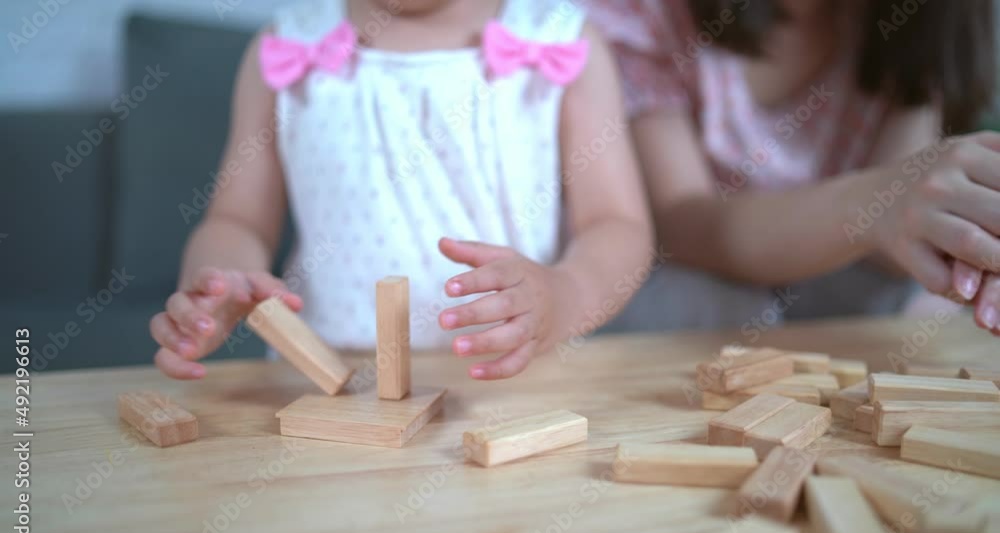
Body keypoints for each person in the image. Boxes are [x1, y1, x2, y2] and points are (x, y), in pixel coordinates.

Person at [149, 0, 653, 381]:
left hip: (516, 380)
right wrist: (215, 288)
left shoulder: (559, 42)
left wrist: (564, 297)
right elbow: (237, 220)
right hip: (327, 389)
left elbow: (616, 225)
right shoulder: (286, 48)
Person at [588, 0, 1000, 337]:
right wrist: (882, 200)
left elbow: (896, 249)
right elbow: (683, 224)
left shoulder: (917, 26)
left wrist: (964, 236)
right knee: (699, 302)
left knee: (911, 306)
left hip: (835, 288)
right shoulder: (647, 15)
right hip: (697, 282)